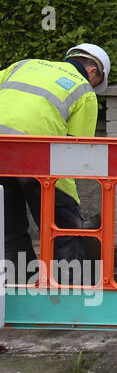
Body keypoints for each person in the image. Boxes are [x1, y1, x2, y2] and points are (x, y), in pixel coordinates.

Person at [0, 43, 111, 279]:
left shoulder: (23, 65)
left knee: (9, 229)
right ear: (93, 73)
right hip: (39, 162)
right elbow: (74, 150)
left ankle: (20, 291)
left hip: (2, 154)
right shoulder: (83, 91)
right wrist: (72, 205)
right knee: (63, 230)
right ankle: (66, 295)